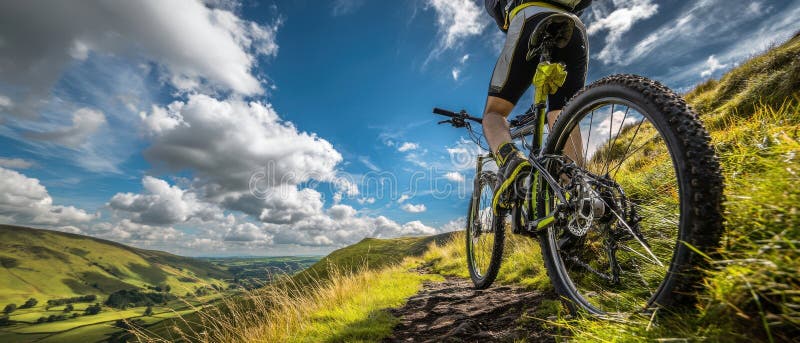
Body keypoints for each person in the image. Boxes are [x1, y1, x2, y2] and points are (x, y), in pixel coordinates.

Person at [483, 0, 591, 213]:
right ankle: (578, 191)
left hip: (530, 16)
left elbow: (495, 7)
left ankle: (511, 161)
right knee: (562, 112)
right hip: (574, 26)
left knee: (494, 113)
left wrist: (505, 22)